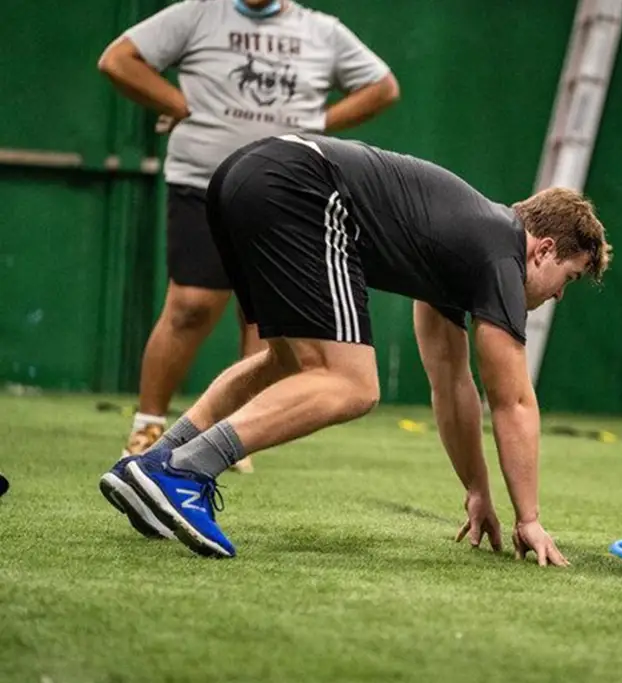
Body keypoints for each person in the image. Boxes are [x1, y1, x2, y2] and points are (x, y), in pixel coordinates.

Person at [98, 133, 612, 565]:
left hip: (245, 175)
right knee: (353, 384)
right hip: (301, 186)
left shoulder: (462, 249)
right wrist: (530, 519)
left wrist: (478, 489)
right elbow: (513, 401)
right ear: (544, 249)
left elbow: (453, 385)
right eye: (565, 278)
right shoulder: (500, 253)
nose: (557, 296)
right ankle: (185, 470)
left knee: (286, 362)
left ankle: (155, 461)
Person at [97, 0, 400, 469]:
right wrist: (177, 103)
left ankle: (231, 432)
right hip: (201, 182)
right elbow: (117, 60)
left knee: (262, 322)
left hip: (283, 194)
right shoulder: (196, 15)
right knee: (190, 306)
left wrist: (319, 125)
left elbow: (383, 87)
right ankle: (148, 426)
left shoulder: (321, 30)